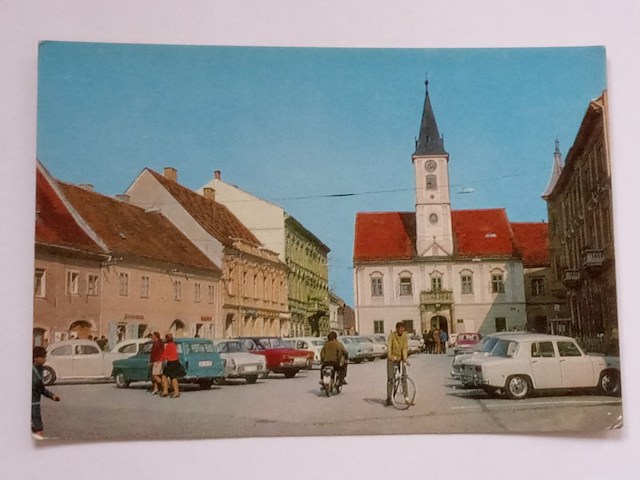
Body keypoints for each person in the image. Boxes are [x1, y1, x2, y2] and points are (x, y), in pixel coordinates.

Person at [32, 346, 61, 440]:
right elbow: (39, 386)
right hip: (32, 404)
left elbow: (41, 387)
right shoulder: (31, 371)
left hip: (36, 403)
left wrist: (52, 396)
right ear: (36, 358)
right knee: (38, 428)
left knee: (36, 428)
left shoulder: (40, 368)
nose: (45, 359)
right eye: (43, 357)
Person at [386, 322, 409, 406]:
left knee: (404, 377)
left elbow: (405, 348)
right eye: (400, 329)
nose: (402, 330)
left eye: (403, 329)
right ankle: (389, 397)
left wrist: (405, 359)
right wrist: (390, 356)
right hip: (392, 358)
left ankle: (406, 398)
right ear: (397, 329)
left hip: (401, 358)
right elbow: (389, 347)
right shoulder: (392, 335)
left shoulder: (405, 336)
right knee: (390, 378)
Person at [161, 333, 185, 398]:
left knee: (172, 377)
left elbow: (165, 354)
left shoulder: (168, 345)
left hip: (171, 362)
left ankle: (175, 392)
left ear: (167, 339)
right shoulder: (174, 345)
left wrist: (162, 359)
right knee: (165, 376)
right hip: (175, 361)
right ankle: (166, 390)